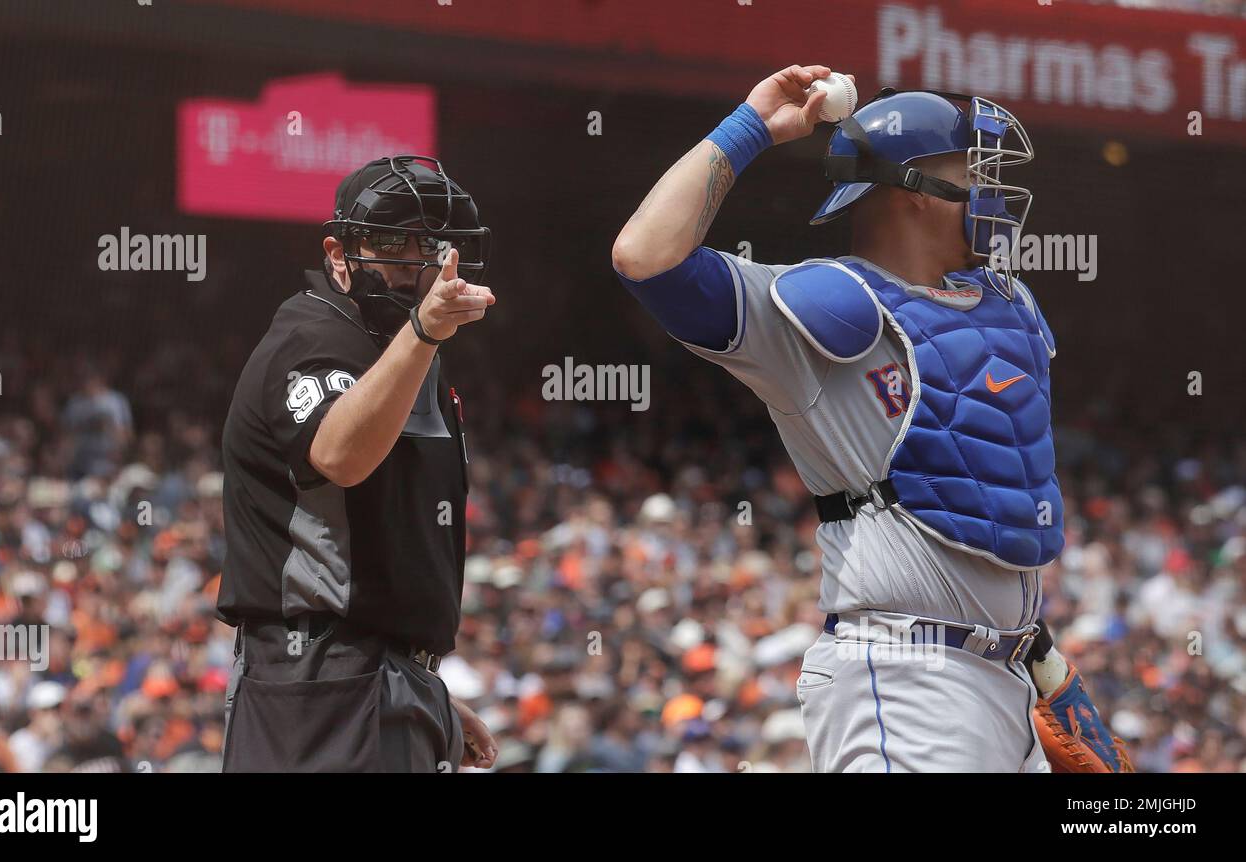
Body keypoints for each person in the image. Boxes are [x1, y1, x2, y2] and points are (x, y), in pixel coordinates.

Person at [612, 66, 1131, 772]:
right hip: (906, 677)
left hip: (1012, 676)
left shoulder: (1010, 307)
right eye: (971, 173)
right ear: (912, 191)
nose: (991, 192)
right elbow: (645, 259)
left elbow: (990, 518)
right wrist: (753, 127)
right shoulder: (822, 305)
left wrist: (1044, 664)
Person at [218, 155, 498, 772]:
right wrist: (424, 333)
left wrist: (425, 688)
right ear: (339, 254)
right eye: (395, 244)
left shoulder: (401, 350)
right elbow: (339, 457)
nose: (418, 264)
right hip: (322, 679)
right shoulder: (313, 336)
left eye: (431, 245)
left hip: (373, 679)